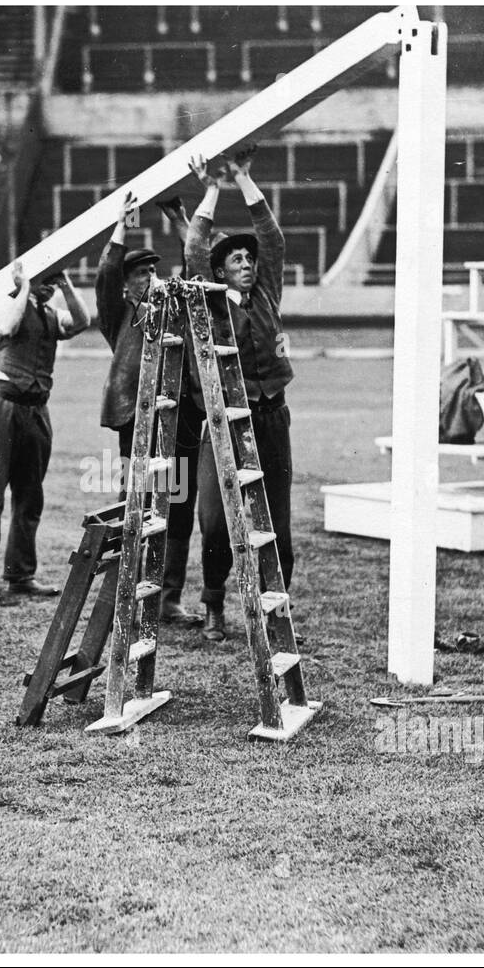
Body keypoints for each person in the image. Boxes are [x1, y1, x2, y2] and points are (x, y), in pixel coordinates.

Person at [184, 145, 295, 641]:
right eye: (235, 259)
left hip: (271, 417)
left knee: (278, 523)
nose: (247, 263)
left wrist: (244, 179)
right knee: (214, 522)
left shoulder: (267, 294)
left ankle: (276, 613)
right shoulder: (209, 304)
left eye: (248, 258)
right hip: (226, 421)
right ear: (220, 270)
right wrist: (212, 187)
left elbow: (273, 239)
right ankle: (213, 606)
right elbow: (193, 250)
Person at [95, 191, 204, 626]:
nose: (149, 279)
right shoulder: (120, 315)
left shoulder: (176, 310)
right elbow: (105, 273)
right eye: (140, 274)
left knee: (178, 507)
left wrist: (181, 221)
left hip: (181, 417)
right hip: (138, 422)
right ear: (127, 284)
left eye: (152, 272)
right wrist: (122, 225)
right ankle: (128, 591)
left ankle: (168, 599)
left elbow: (199, 269)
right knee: (137, 502)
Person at [0, 261, 90, 605]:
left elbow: (81, 322)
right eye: (44, 278)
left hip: (37, 407)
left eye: (53, 278)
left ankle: (20, 576)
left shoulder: (50, 313)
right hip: (4, 407)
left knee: (30, 496)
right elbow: (8, 324)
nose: (48, 285)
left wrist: (65, 284)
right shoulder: (6, 302)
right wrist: (23, 287)